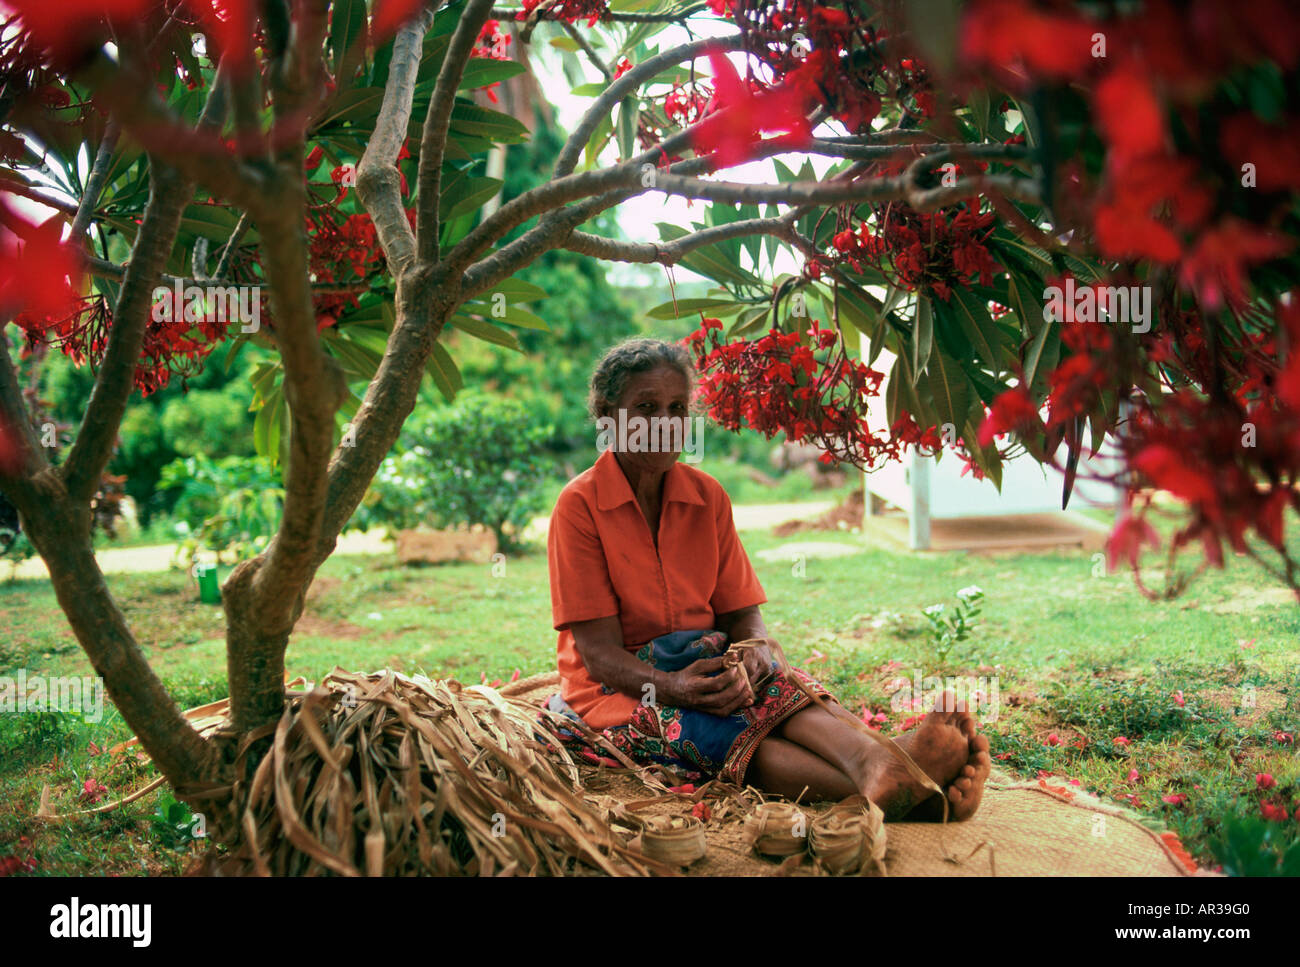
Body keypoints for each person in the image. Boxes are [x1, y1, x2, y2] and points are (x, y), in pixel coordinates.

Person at [546, 338, 990, 819]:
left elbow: (741, 612)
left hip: (702, 660)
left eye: (677, 408)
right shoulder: (580, 507)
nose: (664, 424)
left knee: (773, 684)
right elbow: (598, 655)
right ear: (610, 418)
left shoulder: (707, 496)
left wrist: (755, 648)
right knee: (705, 727)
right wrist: (672, 688)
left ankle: (883, 764)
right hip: (619, 688)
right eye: (646, 408)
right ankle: (900, 779)